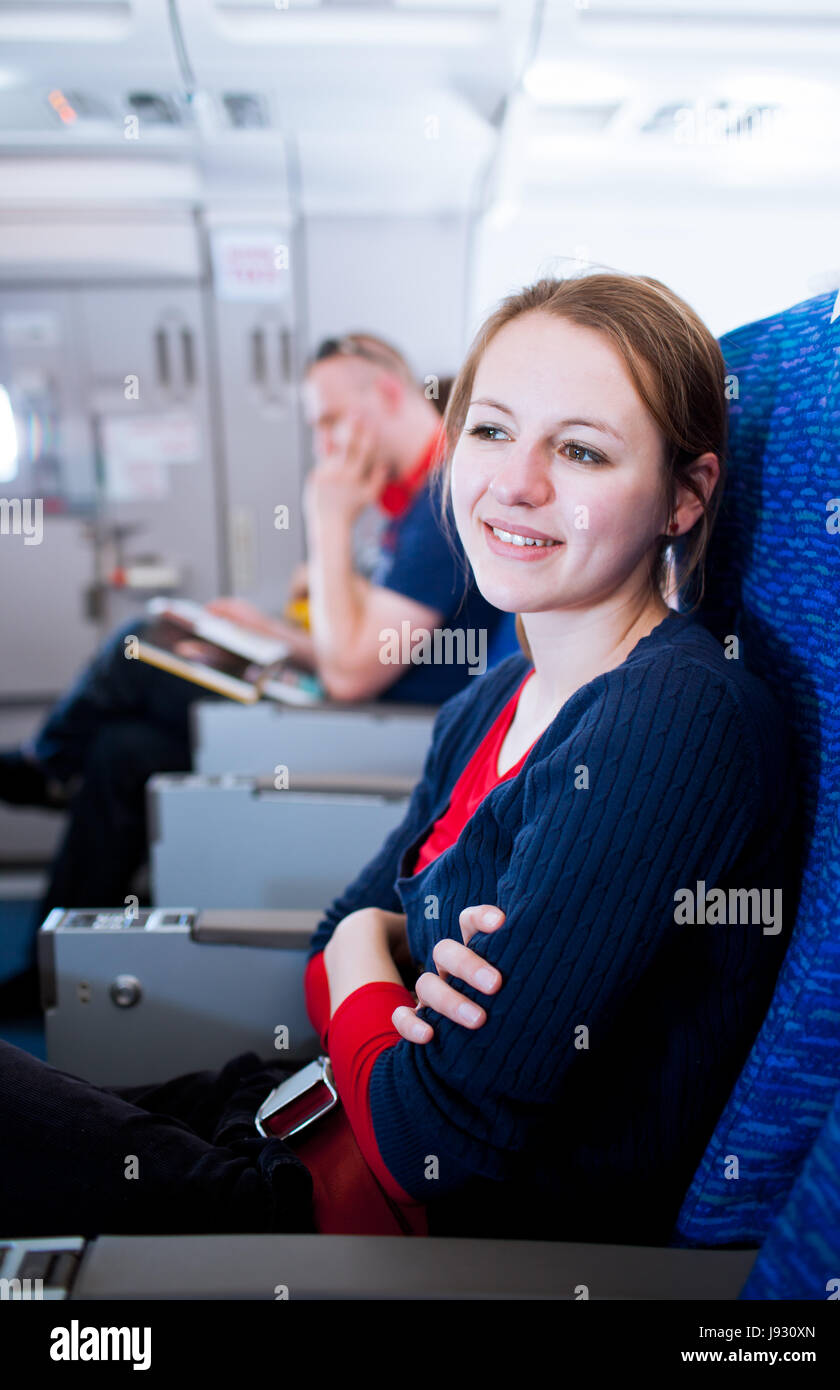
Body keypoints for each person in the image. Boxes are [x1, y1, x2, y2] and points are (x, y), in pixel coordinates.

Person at [0, 272, 796, 1246]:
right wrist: (369, 959)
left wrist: (364, 953)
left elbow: (434, 1142)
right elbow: (329, 934)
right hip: (304, 1114)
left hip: (383, 1232)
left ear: (682, 497)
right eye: (491, 430)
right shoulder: (490, 699)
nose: (515, 482)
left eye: (580, 450)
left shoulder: (673, 720)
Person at [0, 335, 513, 955]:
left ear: (384, 393)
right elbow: (361, 646)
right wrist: (267, 631)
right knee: (122, 752)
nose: (325, 445)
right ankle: (47, 964)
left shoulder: (441, 500)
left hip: (377, 727)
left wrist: (325, 517)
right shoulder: (413, 505)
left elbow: (352, 674)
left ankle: (44, 763)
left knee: (142, 643)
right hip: (359, 708)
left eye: (329, 421)